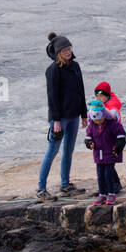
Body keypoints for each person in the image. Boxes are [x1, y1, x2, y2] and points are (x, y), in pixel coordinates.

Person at [37, 32, 87, 202]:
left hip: (74, 116)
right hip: (60, 118)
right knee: (52, 151)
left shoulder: (75, 66)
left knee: (68, 151)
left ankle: (65, 184)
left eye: (69, 48)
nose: (68, 52)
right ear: (58, 52)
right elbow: (52, 97)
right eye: (64, 49)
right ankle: (41, 188)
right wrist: (56, 120)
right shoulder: (52, 71)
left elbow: (81, 91)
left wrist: (84, 114)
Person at [84, 99, 126, 205]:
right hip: (98, 154)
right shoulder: (91, 126)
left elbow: (121, 136)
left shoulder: (112, 124)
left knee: (108, 174)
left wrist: (118, 147)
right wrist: (89, 143)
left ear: (104, 115)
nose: (98, 122)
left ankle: (111, 194)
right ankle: (102, 194)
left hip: (110, 153)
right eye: (95, 120)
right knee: (100, 174)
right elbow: (88, 137)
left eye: (100, 119)